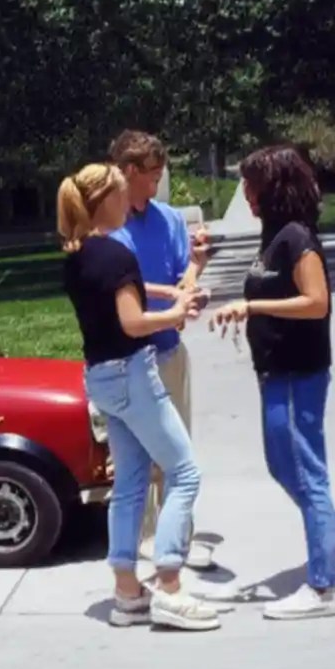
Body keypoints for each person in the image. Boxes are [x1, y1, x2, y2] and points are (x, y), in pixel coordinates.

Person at [59, 163, 222, 631]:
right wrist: (175, 312)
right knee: (184, 471)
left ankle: (127, 591)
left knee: (129, 482)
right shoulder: (116, 256)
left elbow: (112, 308)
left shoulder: (77, 256)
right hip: (132, 375)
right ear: (105, 200)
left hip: (101, 379)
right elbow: (132, 322)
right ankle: (169, 583)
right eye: (121, 189)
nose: (128, 194)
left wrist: (169, 294)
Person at [210, 145, 335, 621]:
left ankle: (322, 589)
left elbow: (316, 302)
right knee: (282, 464)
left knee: (307, 469)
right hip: (275, 370)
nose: (247, 197)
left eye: (251, 188)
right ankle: (334, 536)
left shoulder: (298, 239)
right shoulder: (273, 236)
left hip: (300, 371)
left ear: (272, 190)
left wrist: (251, 308)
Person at [106, 130, 213, 566]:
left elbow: (179, 279)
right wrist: (173, 296)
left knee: (178, 454)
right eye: (151, 175)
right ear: (129, 172)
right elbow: (117, 283)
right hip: (129, 359)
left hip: (170, 351)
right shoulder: (108, 225)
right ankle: (146, 542)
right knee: (138, 462)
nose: (157, 183)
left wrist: (194, 273)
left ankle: (177, 539)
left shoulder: (168, 220)